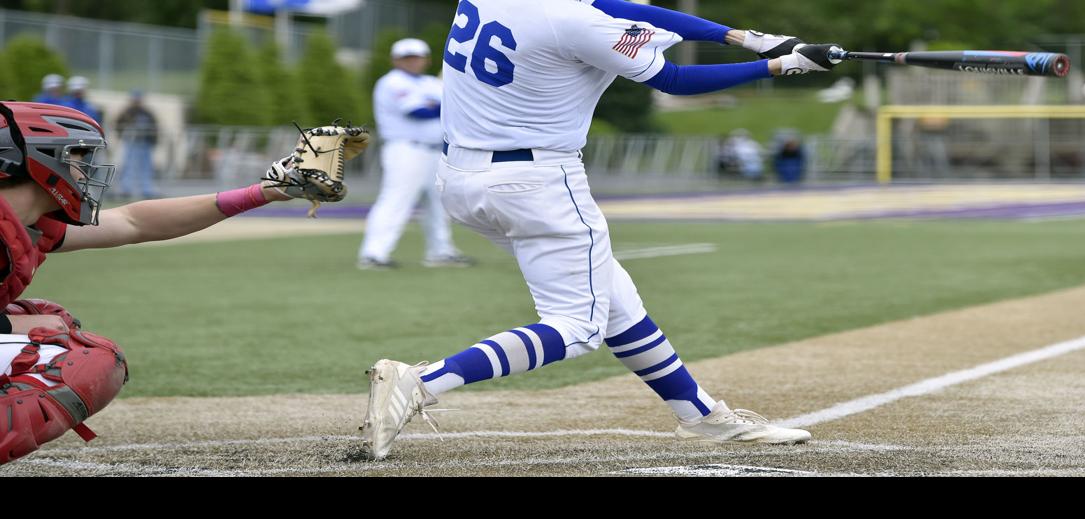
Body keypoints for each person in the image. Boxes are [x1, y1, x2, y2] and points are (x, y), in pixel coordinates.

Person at [362, 0, 844, 458]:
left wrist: (750, 40)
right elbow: (674, 79)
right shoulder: (573, 23)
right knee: (577, 325)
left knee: (617, 303)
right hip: (537, 183)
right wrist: (780, 67)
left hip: (461, 177)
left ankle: (700, 416)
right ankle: (422, 382)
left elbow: (627, 11)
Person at [2, 102, 344, 465]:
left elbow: (135, 223)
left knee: (51, 320)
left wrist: (264, 192)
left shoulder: (27, 223)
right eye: (77, 155)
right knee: (84, 359)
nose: (86, 169)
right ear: (34, 157)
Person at [358, 38, 471, 271]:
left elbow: (454, 109)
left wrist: (444, 104)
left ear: (426, 59)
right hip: (405, 149)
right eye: (407, 57)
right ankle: (373, 253)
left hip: (435, 151)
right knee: (396, 200)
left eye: (417, 57)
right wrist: (448, 104)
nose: (413, 62)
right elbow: (417, 111)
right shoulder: (391, 82)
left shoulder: (431, 83)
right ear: (395, 60)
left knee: (439, 204)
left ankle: (440, 251)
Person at [113, 90, 161, 200]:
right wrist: (122, 135)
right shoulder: (126, 112)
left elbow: (154, 126)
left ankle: (147, 189)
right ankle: (126, 188)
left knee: (146, 167)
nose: (137, 101)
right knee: (129, 166)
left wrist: (154, 140)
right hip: (131, 143)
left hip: (145, 143)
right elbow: (118, 124)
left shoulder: (147, 113)